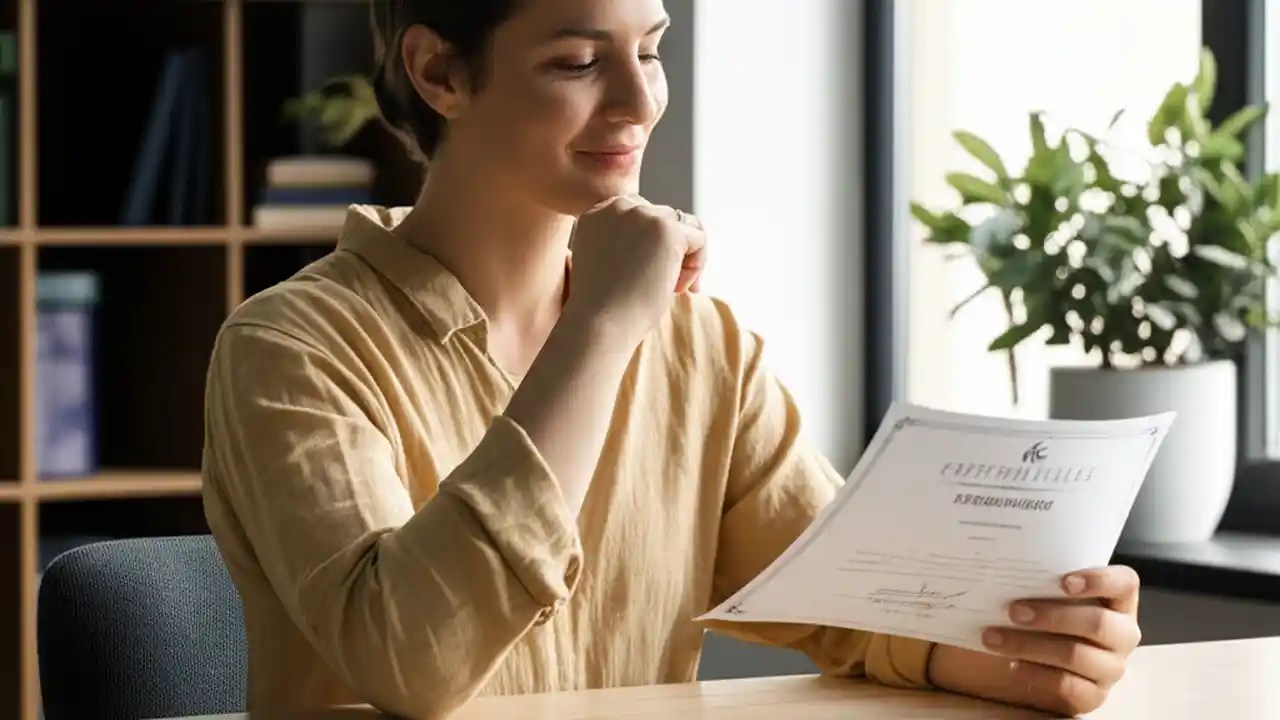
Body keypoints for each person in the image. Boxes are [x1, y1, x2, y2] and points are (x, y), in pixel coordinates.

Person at [200, 0, 1142, 717]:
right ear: (440, 72)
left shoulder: (703, 344)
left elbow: (847, 599)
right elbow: (413, 661)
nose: (641, 99)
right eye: (577, 61)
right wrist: (600, 328)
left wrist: (1019, 648)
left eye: (652, 50)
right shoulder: (290, 349)